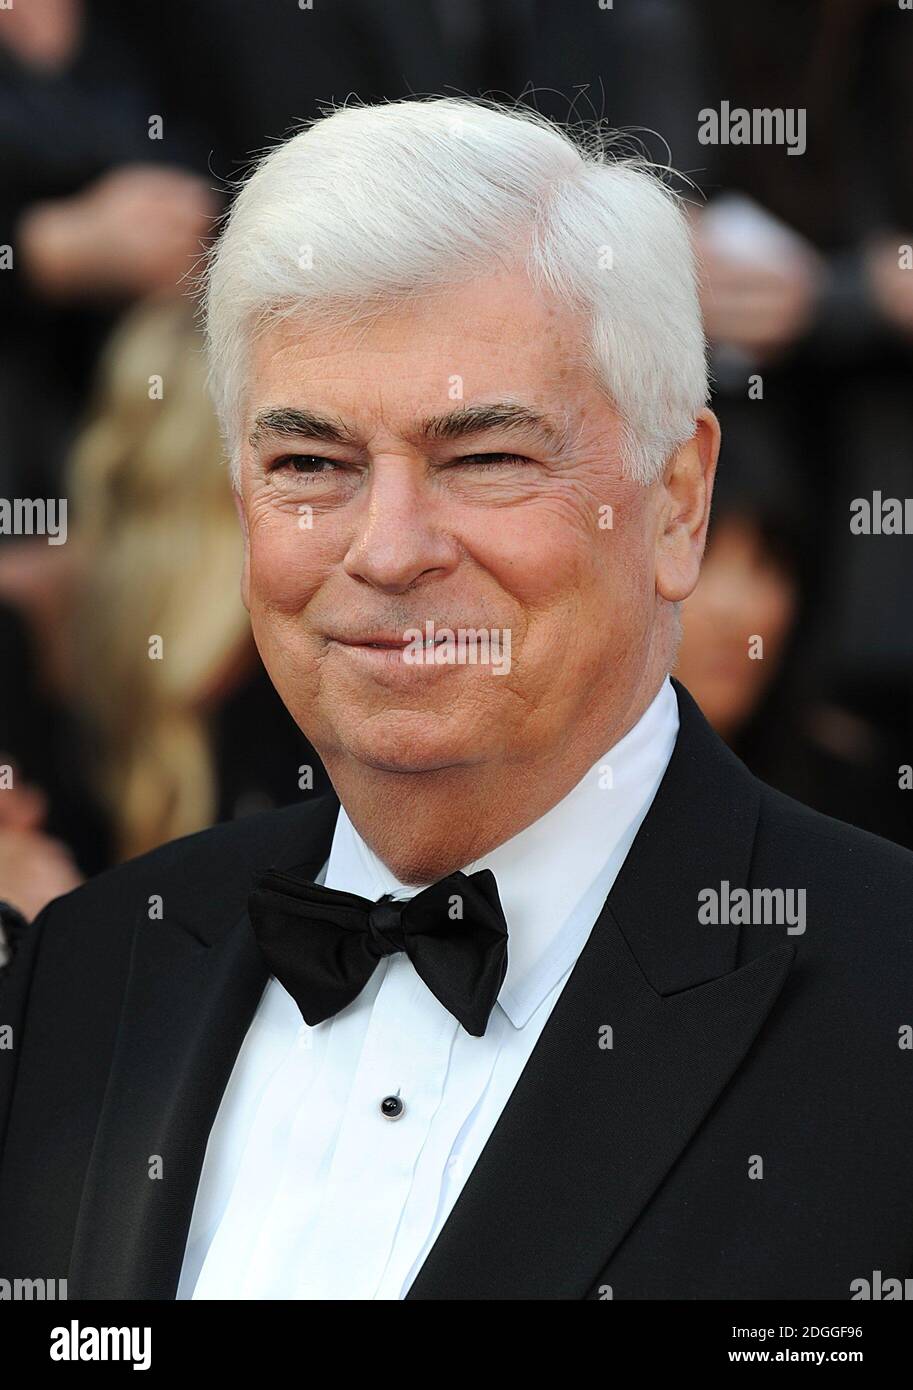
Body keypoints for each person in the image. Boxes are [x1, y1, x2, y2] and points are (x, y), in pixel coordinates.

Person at [1, 98, 911, 1301]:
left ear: (678, 501)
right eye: (309, 464)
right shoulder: (93, 968)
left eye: (483, 458)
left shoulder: (881, 992)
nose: (386, 550)